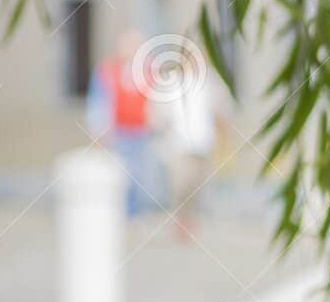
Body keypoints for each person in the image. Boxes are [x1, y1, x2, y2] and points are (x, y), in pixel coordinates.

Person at [156, 42, 229, 243]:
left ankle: (191, 223)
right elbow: (161, 113)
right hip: (179, 144)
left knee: (197, 185)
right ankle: (179, 223)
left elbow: (221, 112)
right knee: (181, 186)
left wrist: (224, 138)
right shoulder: (173, 83)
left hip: (203, 143)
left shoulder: (211, 83)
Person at [87, 29, 158, 217]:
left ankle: (135, 215)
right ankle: (122, 215)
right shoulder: (107, 71)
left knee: (141, 177)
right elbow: (98, 104)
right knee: (121, 177)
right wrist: (99, 132)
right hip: (117, 134)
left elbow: (157, 102)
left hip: (142, 134)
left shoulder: (148, 71)